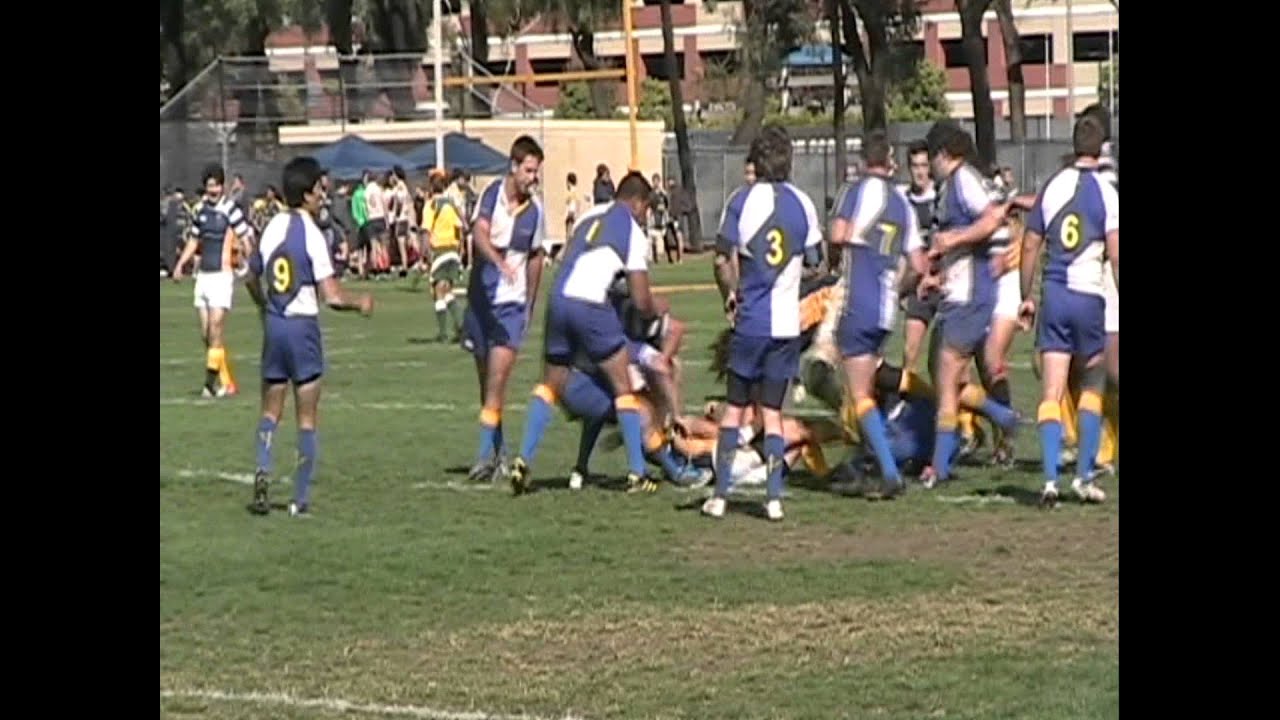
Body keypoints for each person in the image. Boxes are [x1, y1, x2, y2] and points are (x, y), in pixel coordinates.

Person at [505, 171, 658, 495]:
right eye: (646, 209)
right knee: (623, 387)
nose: (646, 217)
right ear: (637, 202)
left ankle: (523, 458)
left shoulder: (591, 214)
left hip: (558, 297)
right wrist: (652, 312)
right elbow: (642, 300)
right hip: (590, 304)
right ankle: (636, 473)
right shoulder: (632, 230)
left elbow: (569, 254)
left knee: (550, 384)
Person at [704, 125, 824, 521]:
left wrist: (731, 296)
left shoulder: (741, 200)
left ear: (756, 160)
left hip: (751, 323)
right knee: (773, 412)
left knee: (736, 410)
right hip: (786, 327)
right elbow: (816, 260)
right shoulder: (803, 204)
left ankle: (720, 496)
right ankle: (773, 499)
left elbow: (721, 258)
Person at [243, 156, 375, 516]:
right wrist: (358, 302)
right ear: (305, 193)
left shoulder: (270, 228)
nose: (323, 194)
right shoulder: (313, 235)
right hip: (302, 329)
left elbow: (250, 276)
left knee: (270, 411)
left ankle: (262, 472)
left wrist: (262, 306)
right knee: (307, 418)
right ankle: (299, 499)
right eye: (319, 188)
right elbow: (331, 296)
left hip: (275, 324)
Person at [1018, 113, 1118, 506]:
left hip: (1055, 295)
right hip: (1088, 297)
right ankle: (1082, 477)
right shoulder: (1107, 192)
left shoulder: (1053, 185)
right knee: (1092, 384)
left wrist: (1025, 294)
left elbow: (1029, 244)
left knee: (1052, 389)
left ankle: (1047, 482)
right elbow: (1114, 253)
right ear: (1102, 147)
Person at [828, 131, 929, 497]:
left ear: (861, 161)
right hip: (887, 311)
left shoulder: (854, 192)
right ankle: (874, 456)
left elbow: (837, 234)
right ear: (890, 163)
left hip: (859, 303)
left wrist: (834, 259)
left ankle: (888, 471)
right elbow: (918, 264)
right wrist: (898, 288)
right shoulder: (903, 203)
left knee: (859, 394)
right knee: (870, 384)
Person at [463, 136, 548, 482]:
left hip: (509, 306)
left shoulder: (536, 211)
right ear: (513, 166)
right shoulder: (491, 196)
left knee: (497, 383)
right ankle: (498, 453)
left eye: (537, 171)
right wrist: (497, 260)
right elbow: (478, 233)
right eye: (529, 170)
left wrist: (529, 303)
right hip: (480, 302)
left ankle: (484, 457)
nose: (533, 177)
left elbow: (537, 257)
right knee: (486, 384)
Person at [172, 163, 255, 398]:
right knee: (207, 334)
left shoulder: (231, 210)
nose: (213, 190)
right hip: (203, 277)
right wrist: (180, 265)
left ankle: (209, 385)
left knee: (217, 326)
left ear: (223, 186)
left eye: (216, 186)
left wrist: (251, 262)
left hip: (222, 276)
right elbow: (193, 241)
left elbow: (245, 236)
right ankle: (225, 381)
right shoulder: (200, 211)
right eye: (209, 186)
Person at [421, 169, 467, 342]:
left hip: (440, 250)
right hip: (453, 251)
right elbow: (462, 226)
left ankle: (444, 333)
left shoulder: (431, 205)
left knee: (437, 291)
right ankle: (460, 325)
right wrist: (461, 251)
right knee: (446, 290)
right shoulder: (451, 204)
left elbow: (426, 231)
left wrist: (424, 254)